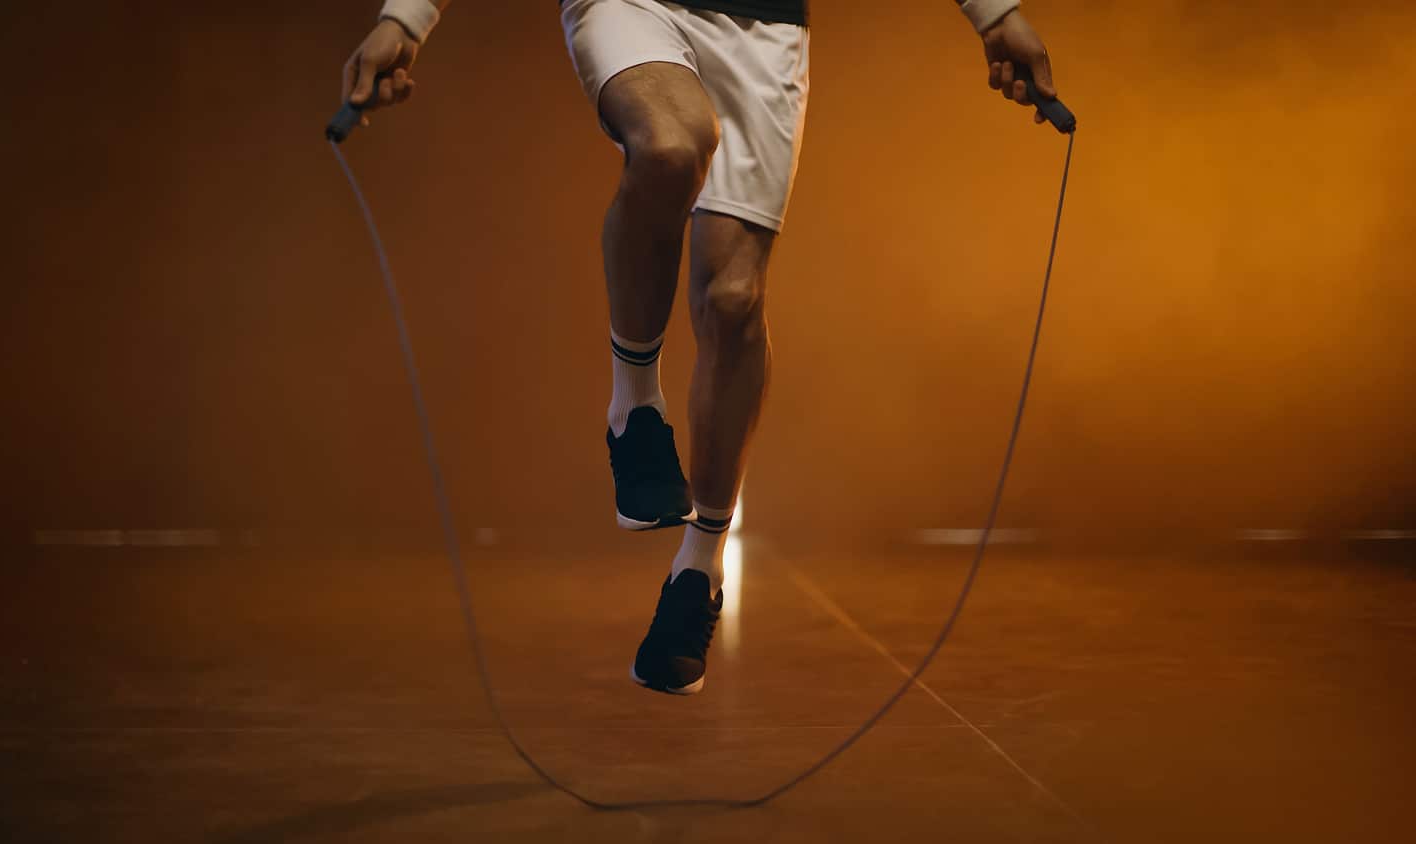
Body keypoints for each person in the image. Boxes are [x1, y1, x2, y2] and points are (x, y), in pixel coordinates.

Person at [339, 0, 1061, 695]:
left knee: (733, 302)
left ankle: (700, 569)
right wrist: (406, 16)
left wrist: (995, 14)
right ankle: (634, 409)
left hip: (763, 26)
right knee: (671, 144)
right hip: (633, 3)